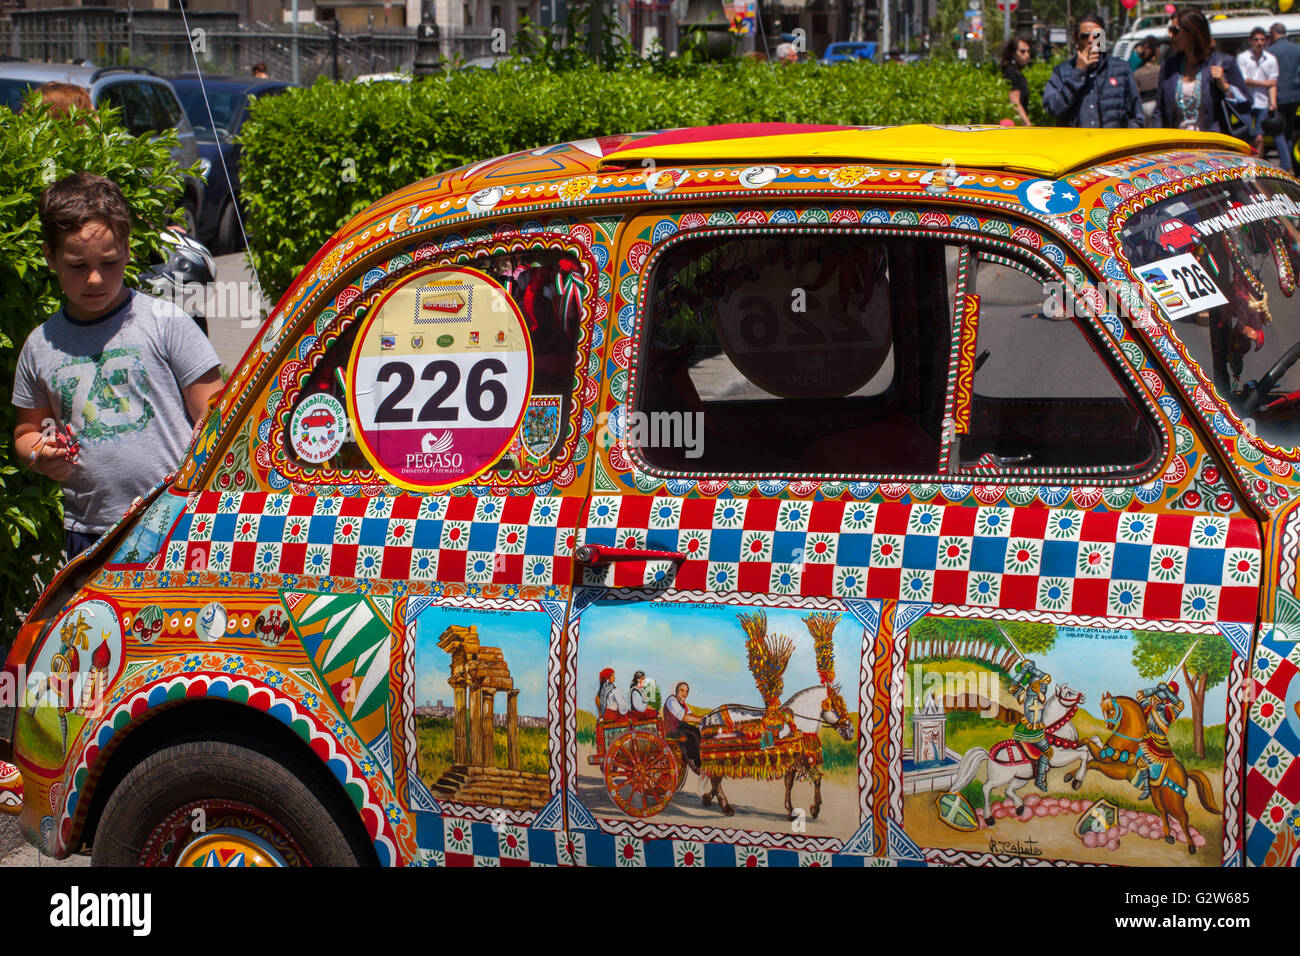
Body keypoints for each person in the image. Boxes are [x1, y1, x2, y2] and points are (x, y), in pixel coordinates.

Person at [12, 174, 223, 560]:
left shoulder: (167, 322)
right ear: (49, 256)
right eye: (77, 266)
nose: (94, 279)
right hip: (90, 532)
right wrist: (41, 454)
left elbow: (215, 412)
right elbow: (27, 430)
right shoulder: (39, 345)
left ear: (127, 250)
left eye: (108, 263)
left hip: (176, 519)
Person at [1152, 8, 1249, 133]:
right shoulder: (1169, 66)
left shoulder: (1224, 63)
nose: (1171, 36)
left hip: (1212, 146)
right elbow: (1159, 111)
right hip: (1176, 147)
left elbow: (1246, 105)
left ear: (1192, 33)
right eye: (1170, 31)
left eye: (1175, 31)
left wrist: (1225, 87)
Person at [1043, 13, 1145, 128]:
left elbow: (1137, 116)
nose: (1091, 40)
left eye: (1097, 36)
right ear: (1075, 39)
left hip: (1112, 143)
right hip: (1078, 143)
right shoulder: (1061, 72)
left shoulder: (1121, 69)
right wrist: (1078, 72)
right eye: (1085, 36)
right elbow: (1053, 109)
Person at [1131, 681, 1184, 800]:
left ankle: (1147, 789)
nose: (1155, 698)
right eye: (1157, 695)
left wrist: (1166, 690)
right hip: (1148, 739)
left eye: (1162, 695)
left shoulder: (1169, 713)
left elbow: (1180, 705)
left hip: (1160, 744)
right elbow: (1139, 694)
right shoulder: (1149, 707)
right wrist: (1155, 689)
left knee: (1142, 762)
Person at [1009, 659, 1054, 791]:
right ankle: (1039, 781)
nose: (1042, 685)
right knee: (1048, 751)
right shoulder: (1023, 693)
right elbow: (1013, 685)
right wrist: (1025, 670)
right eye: (1038, 684)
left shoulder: (1040, 694)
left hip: (1033, 731)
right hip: (1031, 732)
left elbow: (1046, 678)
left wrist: (1030, 669)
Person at [1238, 27, 1279, 155]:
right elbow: (1243, 80)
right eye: (1256, 40)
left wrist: (1273, 102)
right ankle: (1246, 166)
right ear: (1251, 40)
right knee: (1247, 137)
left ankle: (1257, 165)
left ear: (1266, 41)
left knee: (1259, 137)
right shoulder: (1243, 57)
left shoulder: (1271, 59)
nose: (1259, 43)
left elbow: (1273, 83)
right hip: (1245, 101)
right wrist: (1265, 83)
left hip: (1262, 102)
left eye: (1262, 40)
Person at [1269, 23, 1300, 172]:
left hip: (1277, 95)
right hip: (1295, 95)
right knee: (1288, 131)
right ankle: (1289, 164)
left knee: (1277, 131)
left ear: (1274, 33)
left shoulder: (1270, 51)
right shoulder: (1297, 48)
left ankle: (1286, 165)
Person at [663, 681, 702, 775]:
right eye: (682, 690)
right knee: (689, 736)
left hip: (679, 727)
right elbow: (683, 717)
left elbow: (690, 714)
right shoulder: (672, 701)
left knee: (696, 731)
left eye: (686, 691)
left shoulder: (683, 703)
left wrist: (702, 717)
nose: (684, 694)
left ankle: (699, 759)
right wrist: (699, 720)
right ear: (677, 691)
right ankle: (691, 761)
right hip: (671, 730)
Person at [1000, 36, 1033, 126]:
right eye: (1022, 52)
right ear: (1013, 53)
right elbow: (1015, 102)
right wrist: (1027, 124)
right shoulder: (1010, 72)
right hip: (1015, 125)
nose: (1027, 55)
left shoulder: (1018, 73)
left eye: (1028, 51)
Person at [1132, 38, 1162, 121]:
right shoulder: (1159, 69)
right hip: (1157, 104)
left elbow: (1137, 91)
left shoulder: (1137, 73)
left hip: (1144, 105)